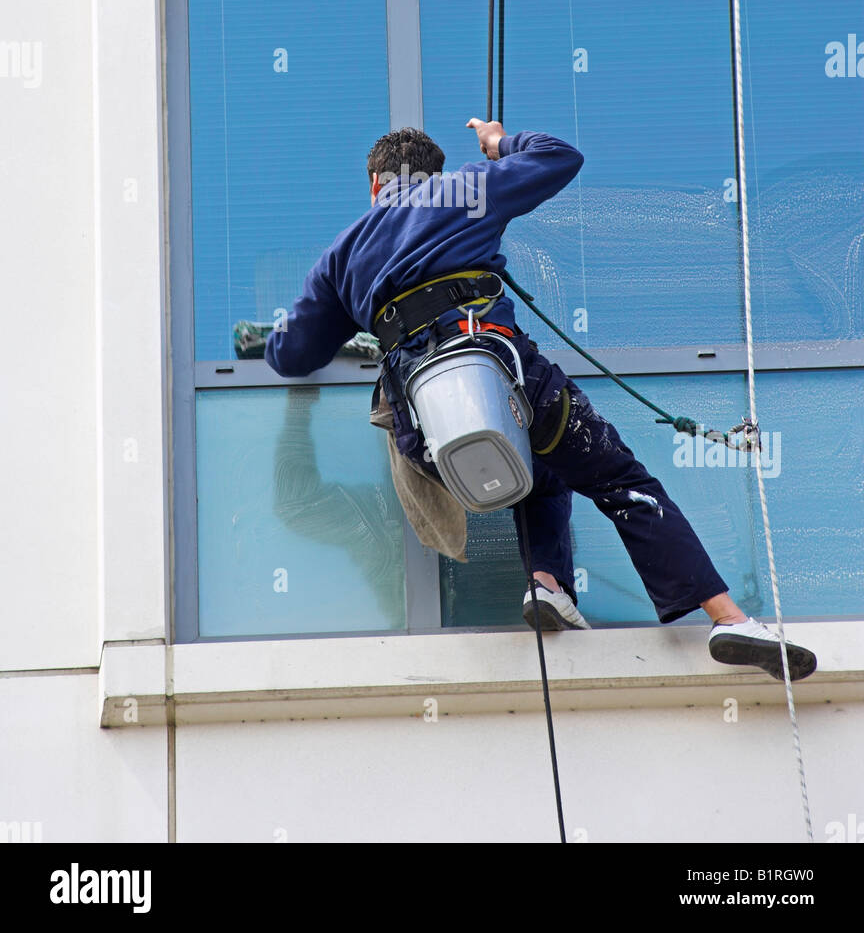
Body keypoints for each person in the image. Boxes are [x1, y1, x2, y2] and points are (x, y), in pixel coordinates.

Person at [265, 120, 817, 682]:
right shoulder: (464, 189)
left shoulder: (342, 253)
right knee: (620, 480)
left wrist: (273, 335)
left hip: (425, 428)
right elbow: (560, 156)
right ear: (434, 173)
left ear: (375, 183)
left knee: (541, 469)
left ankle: (546, 584)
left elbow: (290, 354)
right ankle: (727, 618)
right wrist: (499, 142)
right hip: (500, 379)